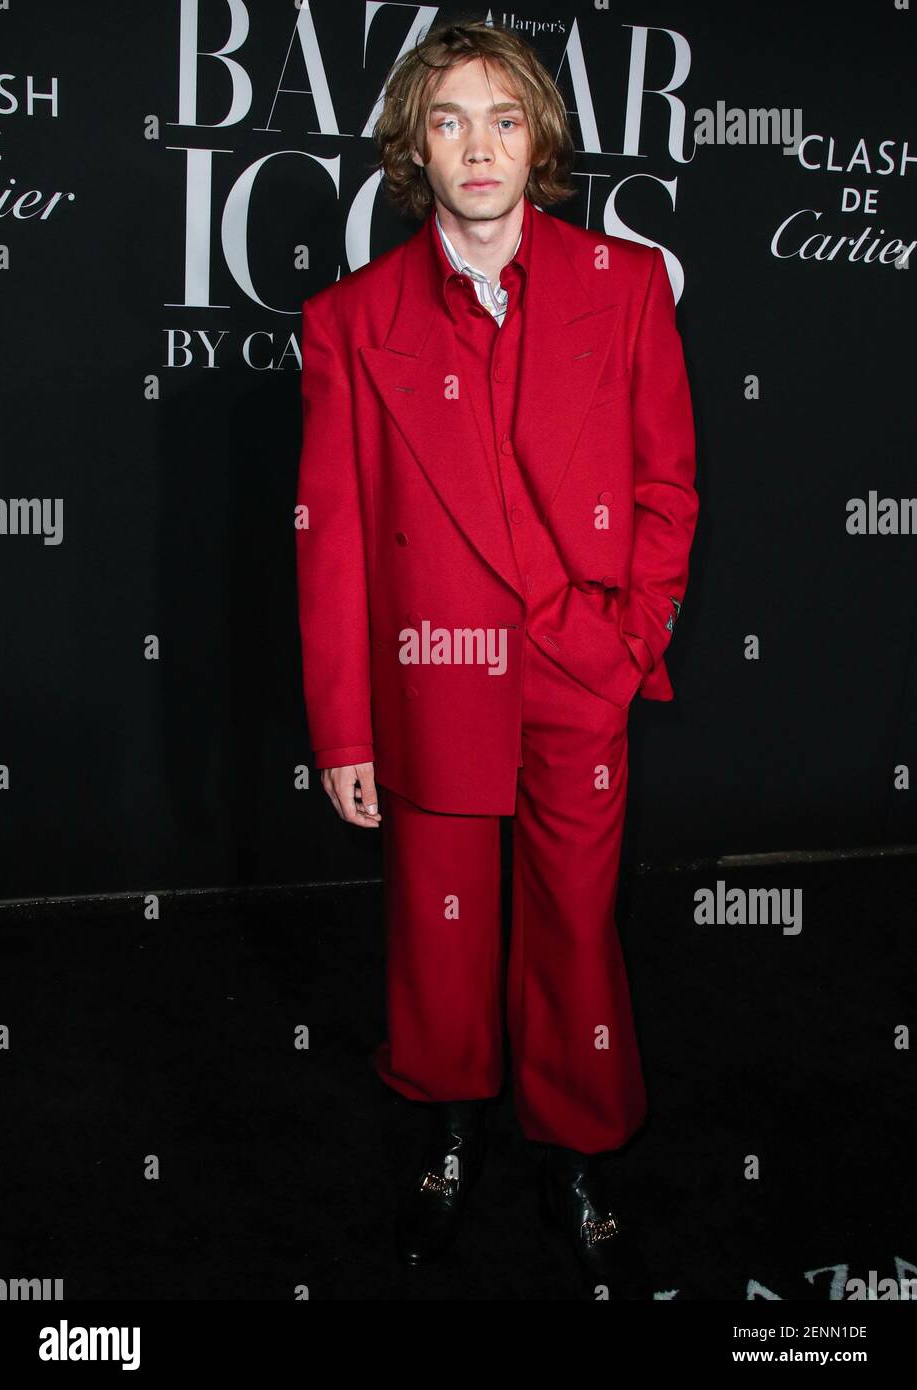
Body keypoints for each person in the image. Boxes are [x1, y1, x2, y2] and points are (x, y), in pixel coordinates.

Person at [295, 18, 698, 1299]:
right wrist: (345, 729)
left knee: (575, 930)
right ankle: (451, 1133)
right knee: (439, 933)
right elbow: (336, 539)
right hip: (432, 676)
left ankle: (577, 1149)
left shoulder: (626, 286)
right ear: (417, 143)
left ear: (540, 140)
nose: (479, 146)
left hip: (578, 668)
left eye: (504, 118)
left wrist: (631, 641)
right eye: (452, 119)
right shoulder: (351, 321)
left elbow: (665, 487)